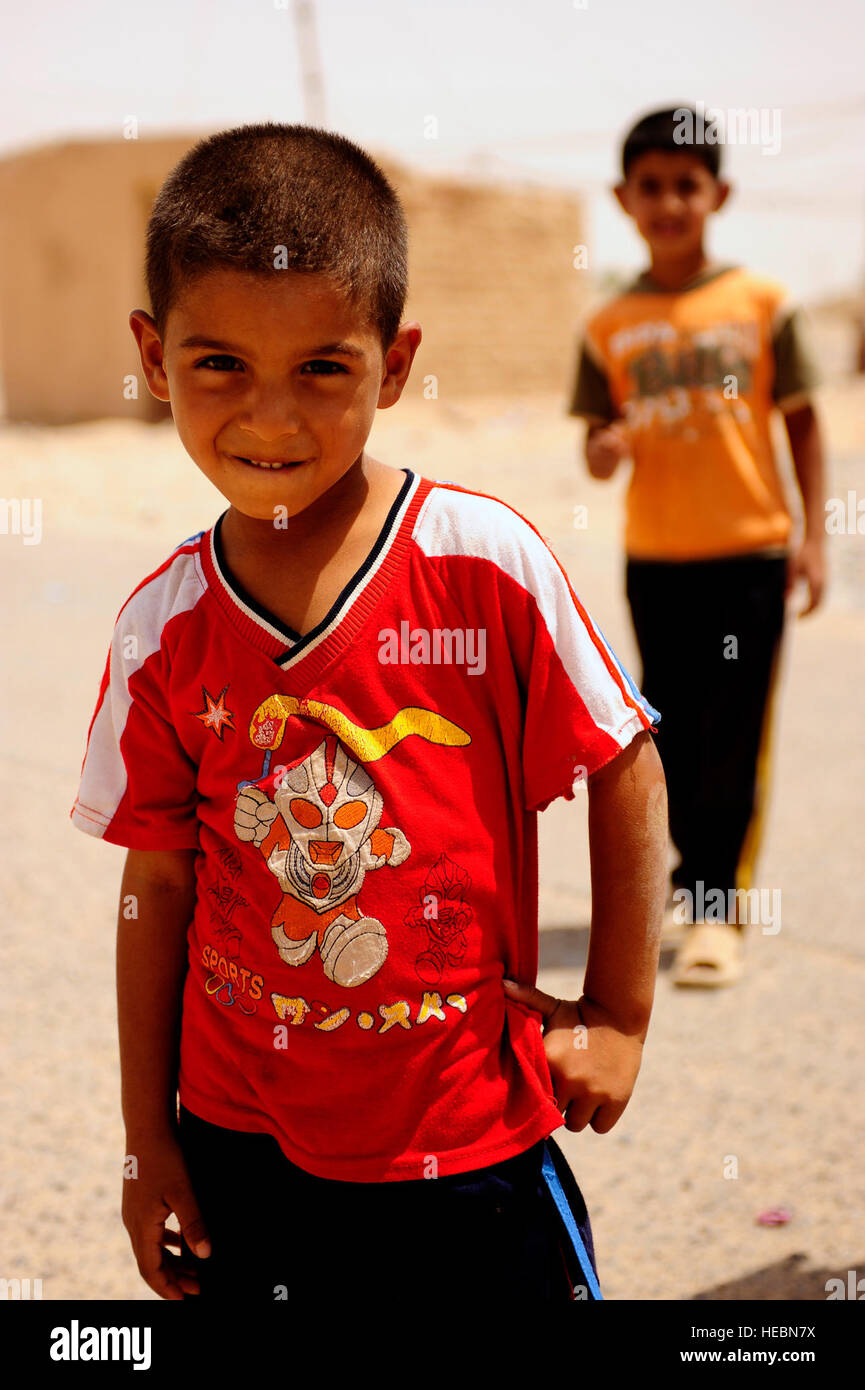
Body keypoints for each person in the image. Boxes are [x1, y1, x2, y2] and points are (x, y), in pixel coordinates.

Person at [70, 122, 668, 1306]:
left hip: (467, 1143)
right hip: (243, 1138)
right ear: (153, 355)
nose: (272, 420)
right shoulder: (164, 626)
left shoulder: (479, 561)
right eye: (220, 365)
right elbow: (159, 887)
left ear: (393, 366)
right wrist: (151, 1147)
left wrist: (616, 1012)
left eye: (322, 370)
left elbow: (624, 759)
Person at [569, 107, 826, 988]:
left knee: (736, 733)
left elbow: (802, 422)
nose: (669, 202)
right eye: (651, 186)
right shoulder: (606, 325)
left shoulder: (759, 304)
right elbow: (596, 450)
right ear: (622, 197)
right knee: (668, 733)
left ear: (718, 192)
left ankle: (717, 909)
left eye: (686, 184)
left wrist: (813, 538)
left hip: (749, 556)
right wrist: (604, 451)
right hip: (657, 561)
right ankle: (689, 882)